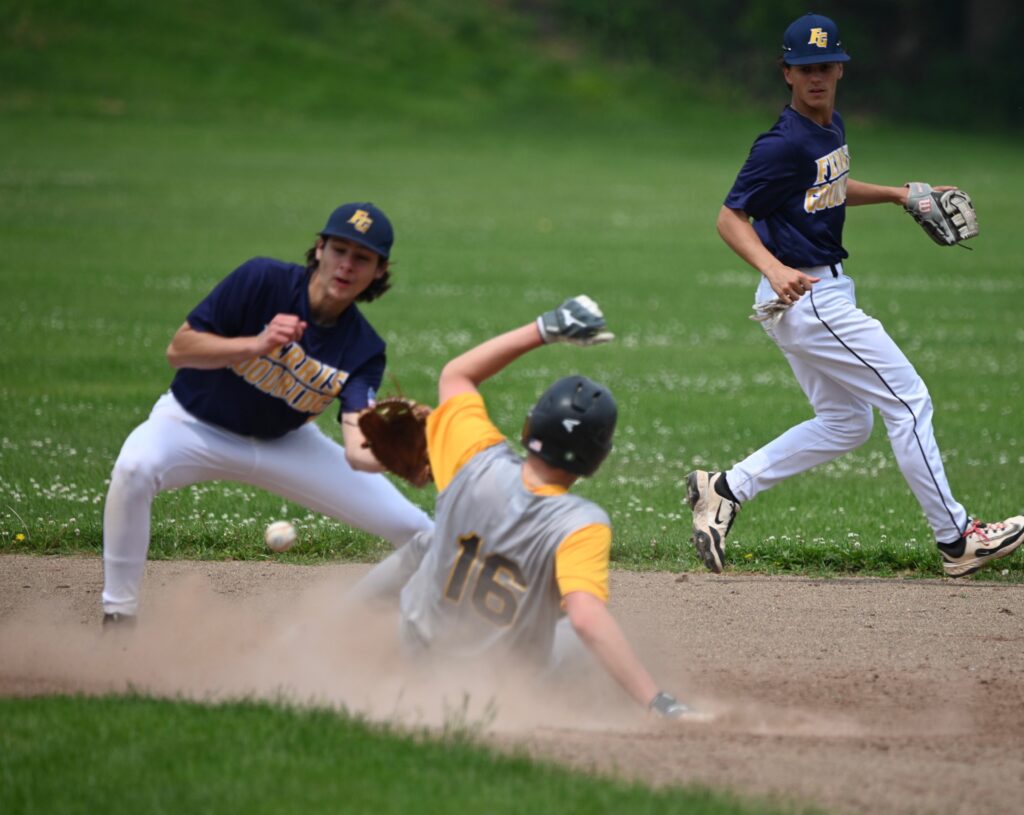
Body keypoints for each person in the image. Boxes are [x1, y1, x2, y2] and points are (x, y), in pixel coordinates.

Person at [687, 13, 1023, 578]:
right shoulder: (781, 143)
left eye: (823, 66)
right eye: (803, 68)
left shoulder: (828, 126)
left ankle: (724, 488)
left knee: (847, 422)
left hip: (809, 294)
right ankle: (957, 539)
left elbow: (829, 188)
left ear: (839, 68)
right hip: (810, 297)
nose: (814, 77)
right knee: (909, 400)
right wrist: (772, 267)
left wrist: (898, 194)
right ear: (786, 74)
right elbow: (729, 216)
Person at [357, 295, 705, 720]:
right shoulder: (581, 524)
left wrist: (546, 327)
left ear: (531, 424)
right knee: (578, 628)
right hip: (492, 686)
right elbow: (586, 619)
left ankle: (338, 626)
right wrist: (657, 700)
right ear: (596, 458)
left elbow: (456, 374)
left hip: (416, 646)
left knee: (428, 544)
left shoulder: (472, 457)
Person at [101, 202, 433, 624]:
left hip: (286, 445)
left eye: (362, 257)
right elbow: (179, 350)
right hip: (191, 425)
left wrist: (411, 459)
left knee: (421, 533)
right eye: (339, 250)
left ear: (379, 271)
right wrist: (255, 345)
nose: (346, 265)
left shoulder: (365, 349)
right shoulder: (262, 280)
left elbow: (356, 449)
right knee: (134, 468)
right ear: (319, 249)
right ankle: (118, 614)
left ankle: (341, 627)